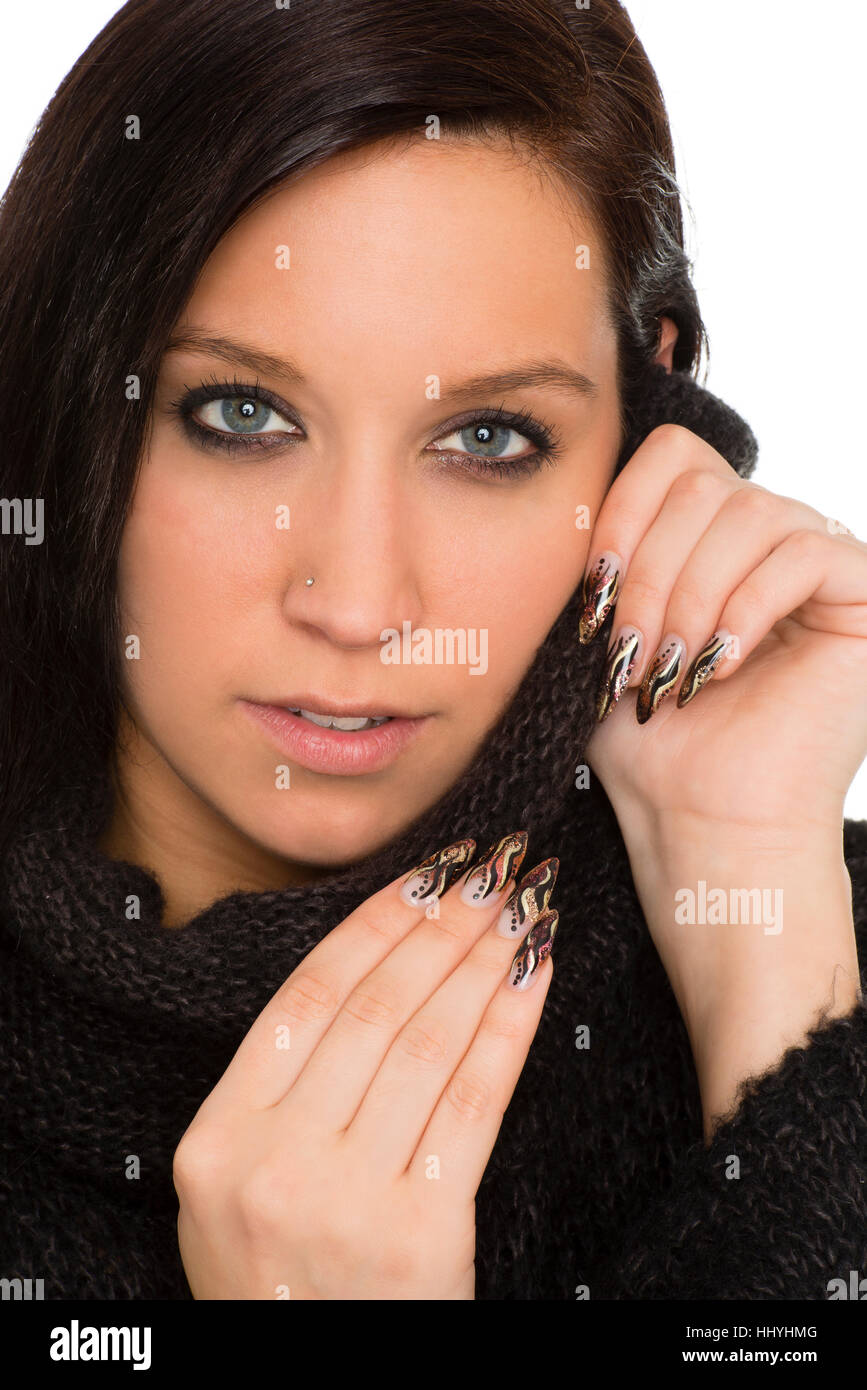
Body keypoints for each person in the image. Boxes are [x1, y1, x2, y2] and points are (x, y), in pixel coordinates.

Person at [1, 0, 865, 1302]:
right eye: (241, 413)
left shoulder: (813, 932)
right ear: (75, 401)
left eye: (486, 438)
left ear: (645, 418)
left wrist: (751, 918)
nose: (357, 600)